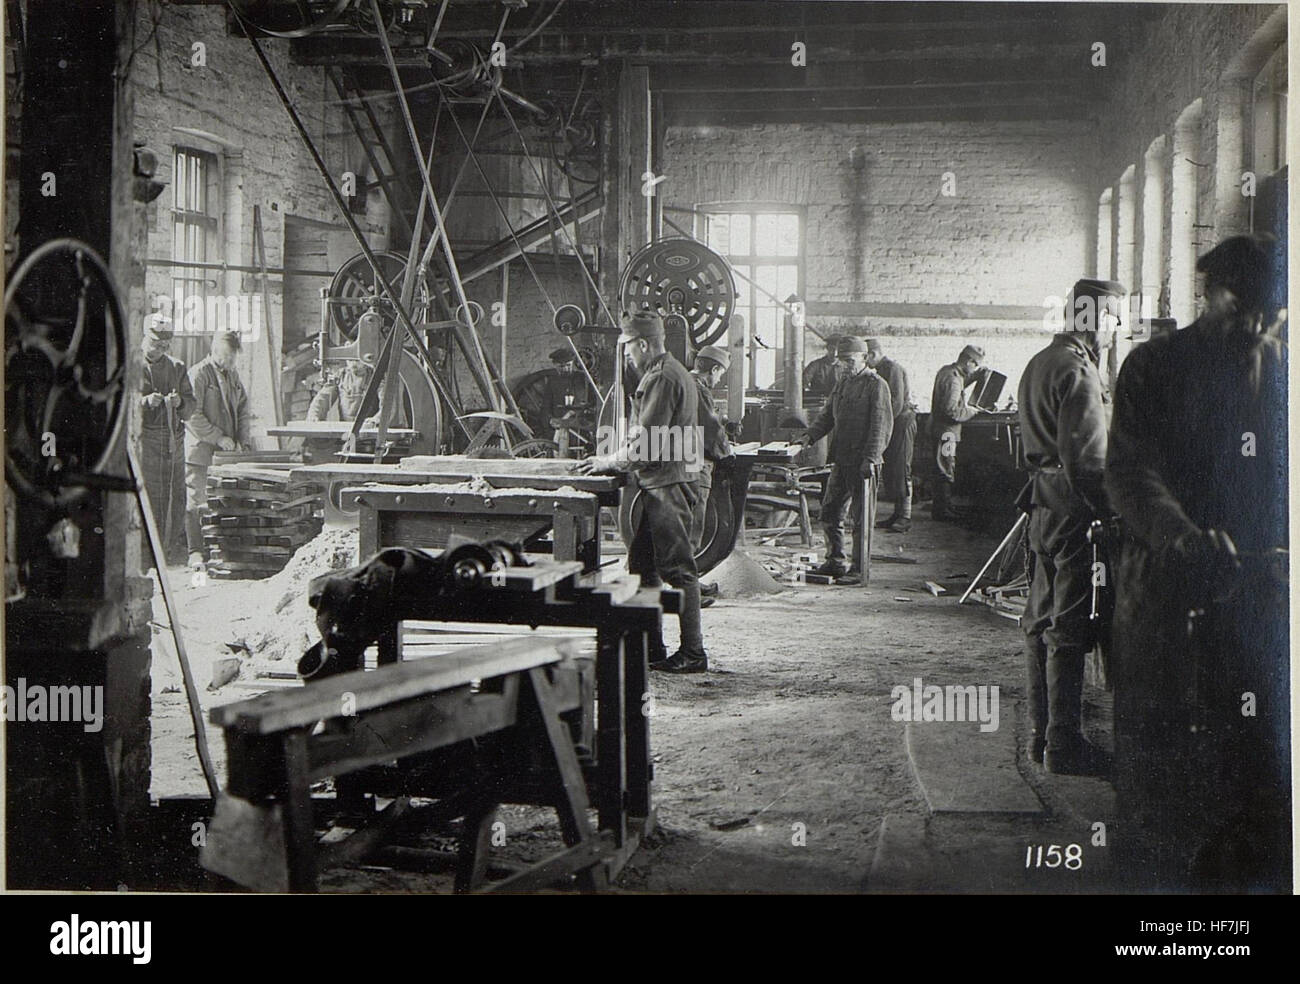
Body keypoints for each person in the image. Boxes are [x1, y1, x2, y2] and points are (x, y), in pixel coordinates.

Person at [1106, 234, 1289, 892]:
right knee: (1161, 767)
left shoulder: (1282, 369)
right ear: (1210, 296)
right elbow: (1132, 474)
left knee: (1250, 772)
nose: (1260, 329)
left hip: (1259, 595)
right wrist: (1182, 538)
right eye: (1245, 313)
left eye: (1274, 317)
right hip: (1165, 593)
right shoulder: (1155, 368)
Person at [1017, 279, 1125, 775]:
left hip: (1040, 503)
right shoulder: (1079, 370)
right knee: (1070, 627)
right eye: (1112, 318)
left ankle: (1040, 738)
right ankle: (1064, 744)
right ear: (1092, 319)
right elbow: (1085, 460)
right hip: (1073, 508)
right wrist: (1109, 512)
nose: (1114, 329)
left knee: (1038, 623)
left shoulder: (1040, 362)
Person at [576, 312, 708, 673]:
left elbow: (646, 445)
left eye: (629, 348)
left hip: (669, 483)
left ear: (644, 344)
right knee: (643, 564)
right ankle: (652, 647)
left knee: (679, 569)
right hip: (661, 481)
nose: (627, 356)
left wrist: (608, 462)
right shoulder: (665, 371)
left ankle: (693, 653)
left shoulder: (663, 378)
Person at [792, 336, 893, 585]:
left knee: (861, 518)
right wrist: (810, 436)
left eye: (849, 361)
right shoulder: (843, 383)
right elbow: (828, 415)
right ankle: (835, 561)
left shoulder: (876, 385)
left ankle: (859, 570)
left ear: (865, 358)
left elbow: (881, 426)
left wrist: (871, 458)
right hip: (842, 459)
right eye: (842, 361)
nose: (844, 365)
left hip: (863, 462)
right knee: (831, 510)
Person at [184, 332, 252, 571]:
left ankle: (219, 552)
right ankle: (195, 553)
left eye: (234, 358)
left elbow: (243, 408)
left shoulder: (232, 374)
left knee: (222, 501)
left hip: (226, 455)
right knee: (197, 500)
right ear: (216, 352)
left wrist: (243, 440)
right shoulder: (199, 374)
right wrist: (218, 437)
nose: (232, 362)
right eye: (229, 357)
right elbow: (192, 415)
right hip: (201, 451)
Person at [138, 314, 194, 560]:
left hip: (174, 441)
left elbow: (191, 407)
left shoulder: (177, 368)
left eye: (165, 346)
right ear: (145, 338)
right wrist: (145, 402)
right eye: (156, 344)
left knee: (176, 494)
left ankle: (170, 548)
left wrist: (180, 401)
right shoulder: (133, 366)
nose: (160, 350)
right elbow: (123, 405)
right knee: (151, 494)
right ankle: (147, 551)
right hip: (146, 443)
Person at [927, 344, 985, 520]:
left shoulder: (948, 371)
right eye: (974, 365)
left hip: (940, 430)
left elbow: (958, 385)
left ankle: (944, 508)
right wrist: (974, 411)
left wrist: (975, 377)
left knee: (942, 466)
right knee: (945, 467)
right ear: (968, 361)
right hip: (947, 433)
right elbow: (951, 410)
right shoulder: (953, 379)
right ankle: (942, 511)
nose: (973, 368)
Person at [688, 344, 735, 555]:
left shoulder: (683, 381)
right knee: (693, 526)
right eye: (720, 375)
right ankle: (686, 582)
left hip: (675, 463)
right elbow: (710, 430)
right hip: (695, 464)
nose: (718, 380)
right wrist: (727, 451)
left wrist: (723, 420)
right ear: (714, 370)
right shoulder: (699, 389)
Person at [865, 339, 915, 533]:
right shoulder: (881, 370)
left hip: (902, 422)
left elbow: (896, 402)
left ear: (873, 354)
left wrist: (882, 425)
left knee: (902, 468)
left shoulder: (892, 369)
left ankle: (905, 517)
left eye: (865, 357)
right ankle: (896, 514)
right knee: (893, 469)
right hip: (893, 423)